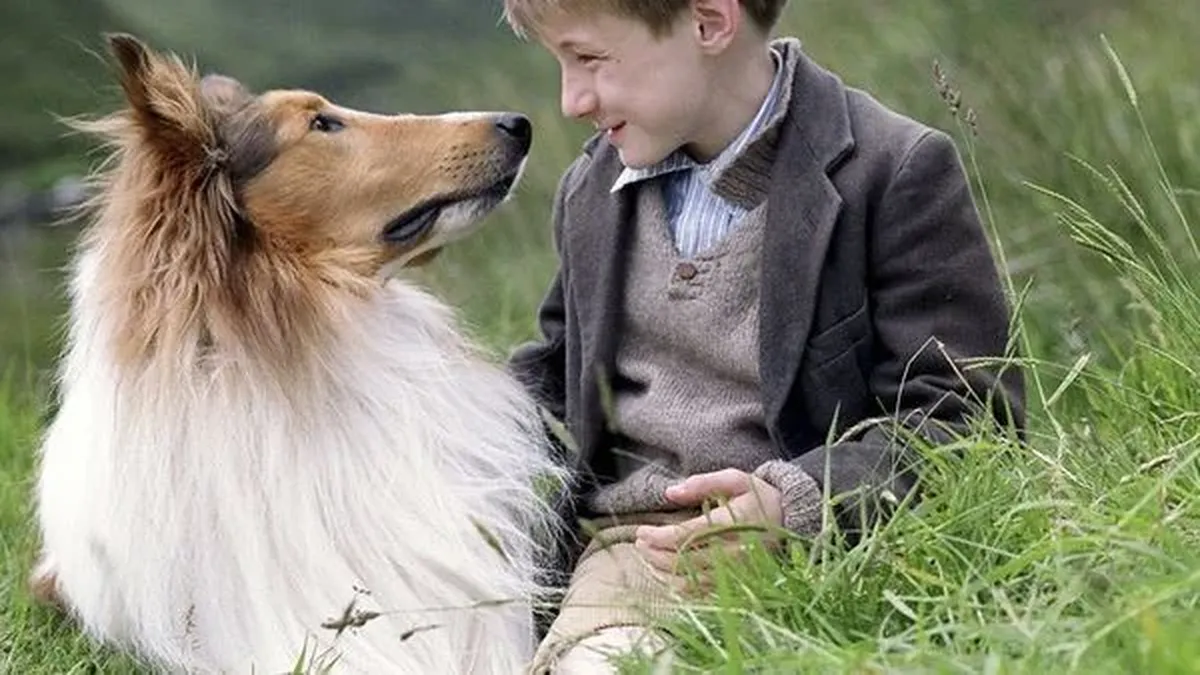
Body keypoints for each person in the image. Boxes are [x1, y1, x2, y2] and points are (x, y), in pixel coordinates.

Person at [501, 0, 1026, 672]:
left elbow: (969, 422)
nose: (571, 100)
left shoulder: (894, 170)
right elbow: (545, 388)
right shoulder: (590, 188)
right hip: (632, 559)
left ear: (710, 22)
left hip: (832, 556)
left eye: (590, 59)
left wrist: (791, 506)